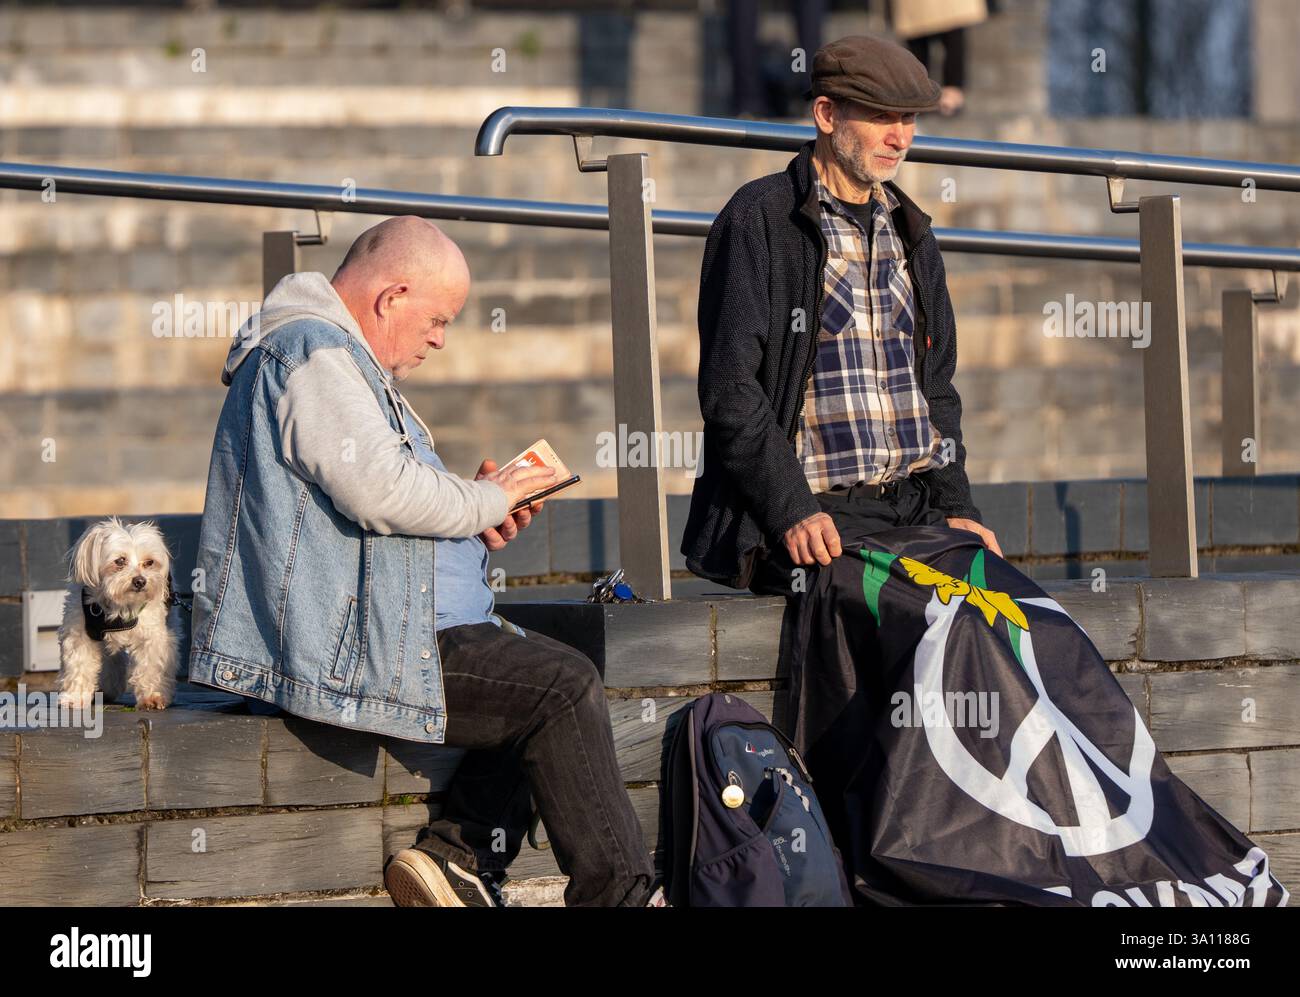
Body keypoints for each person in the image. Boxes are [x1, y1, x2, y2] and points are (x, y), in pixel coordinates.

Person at [681, 37, 1288, 906]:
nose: (900, 137)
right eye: (882, 118)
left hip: (913, 509)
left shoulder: (910, 232)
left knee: (1039, 624)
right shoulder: (760, 220)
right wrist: (788, 507)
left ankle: (1122, 854)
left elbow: (939, 395)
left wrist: (959, 506)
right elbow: (731, 392)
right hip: (818, 520)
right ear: (826, 117)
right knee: (954, 632)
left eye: (910, 121)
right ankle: (965, 859)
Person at [189, 216, 660, 908]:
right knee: (560, 686)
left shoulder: (345, 364)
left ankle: (458, 861)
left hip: (401, 631)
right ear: (391, 297)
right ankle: (619, 896)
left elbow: (386, 508)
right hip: (359, 649)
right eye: (437, 319)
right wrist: (483, 497)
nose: (441, 339)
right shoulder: (310, 356)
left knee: (539, 665)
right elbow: (381, 491)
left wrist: (474, 523)